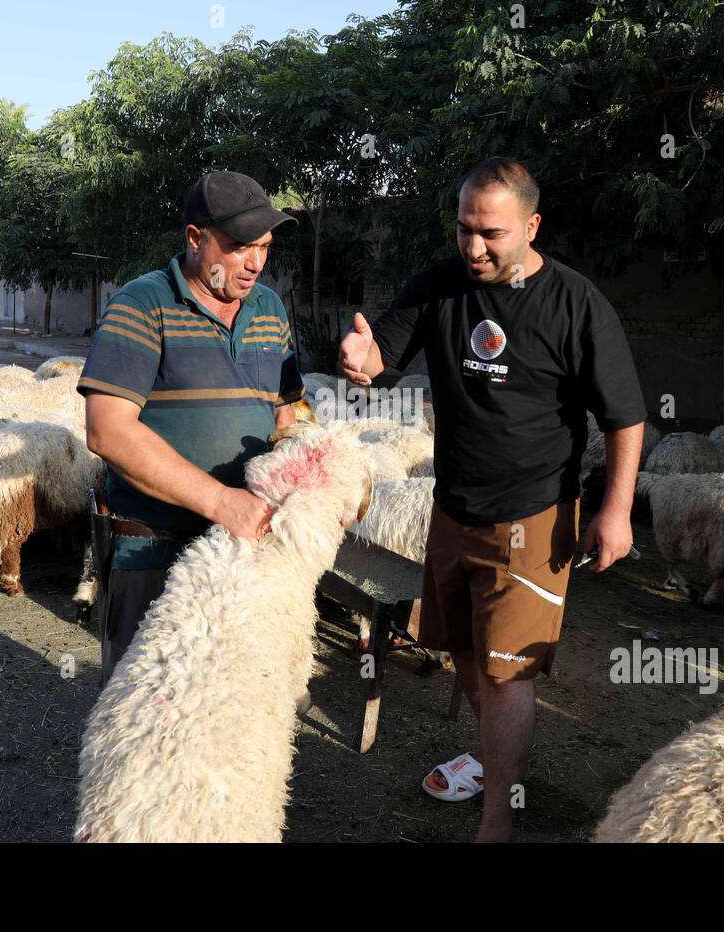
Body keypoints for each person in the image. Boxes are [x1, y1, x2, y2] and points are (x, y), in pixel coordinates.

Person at [339, 157, 648, 842]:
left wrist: (616, 510)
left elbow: (627, 418)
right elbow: (379, 355)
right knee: (468, 660)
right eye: (464, 230)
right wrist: (361, 361)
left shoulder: (574, 303)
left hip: (534, 517)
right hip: (452, 510)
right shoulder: (441, 286)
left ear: (531, 226)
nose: (474, 247)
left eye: (493, 234)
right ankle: (491, 763)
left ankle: (496, 824)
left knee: (508, 675)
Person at [78, 171, 301, 684]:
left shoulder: (269, 308)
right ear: (196, 238)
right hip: (155, 553)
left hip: (245, 555)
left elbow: (285, 412)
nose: (255, 263)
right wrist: (223, 504)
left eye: (264, 247)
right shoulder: (142, 305)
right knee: (147, 707)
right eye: (241, 246)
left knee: (228, 707)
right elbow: (108, 432)